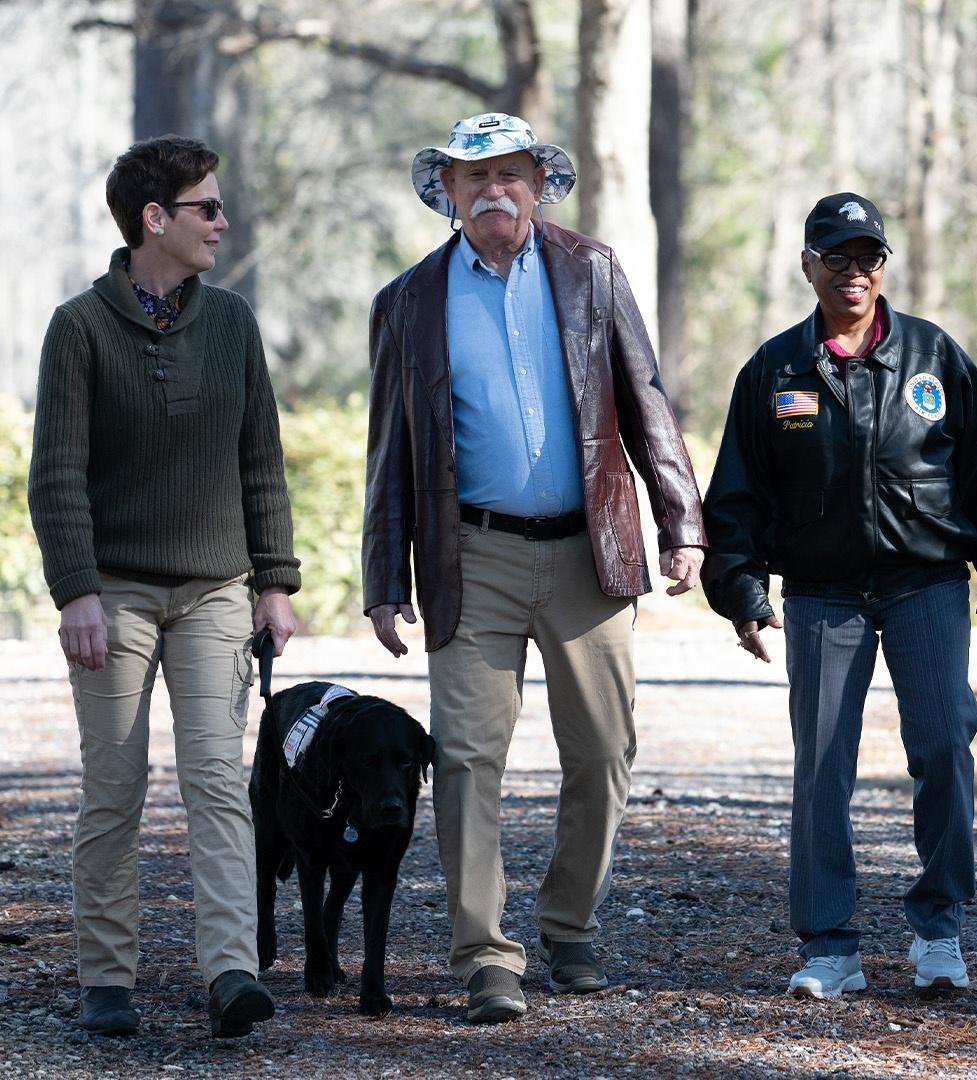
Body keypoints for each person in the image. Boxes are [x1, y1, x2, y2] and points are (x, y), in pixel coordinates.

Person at [362, 112, 707, 1024]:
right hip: (468, 556)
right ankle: (486, 955)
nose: (493, 190)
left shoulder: (590, 271)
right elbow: (388, 452)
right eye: (472, 177)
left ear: (541, 185)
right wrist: (384, 579)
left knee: (602, 749)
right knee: (469, 760)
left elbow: (646, 400)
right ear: (446, 193)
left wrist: (682, 522)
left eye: (511, 173)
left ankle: (568, 925)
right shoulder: (408, 302)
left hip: (588, 548)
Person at [701, 192, 977, 1000]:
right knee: (821, 764)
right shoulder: (775, 369)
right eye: (837, 258)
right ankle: (829, 946)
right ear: (808, 266)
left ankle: (939, 929)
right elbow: (735, 497)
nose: (854, 273)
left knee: (945, 744)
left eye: (868, 258)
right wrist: (742, 590)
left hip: (926, 583)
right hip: (823, 593)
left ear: (884, 266)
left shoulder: (933, 356)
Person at [28, 134, 300, 1039]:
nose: (223, 221)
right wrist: (76, 591)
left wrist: (275, 582)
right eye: (207, 207)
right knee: (114, 786)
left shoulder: (232, 324)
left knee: (219, 781)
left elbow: (261, 459)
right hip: (115, 594)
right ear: (156, 219)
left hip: (217, 593)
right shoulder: (80, 327)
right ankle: (108, 978)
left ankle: (232, 972)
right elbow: (57, 474)